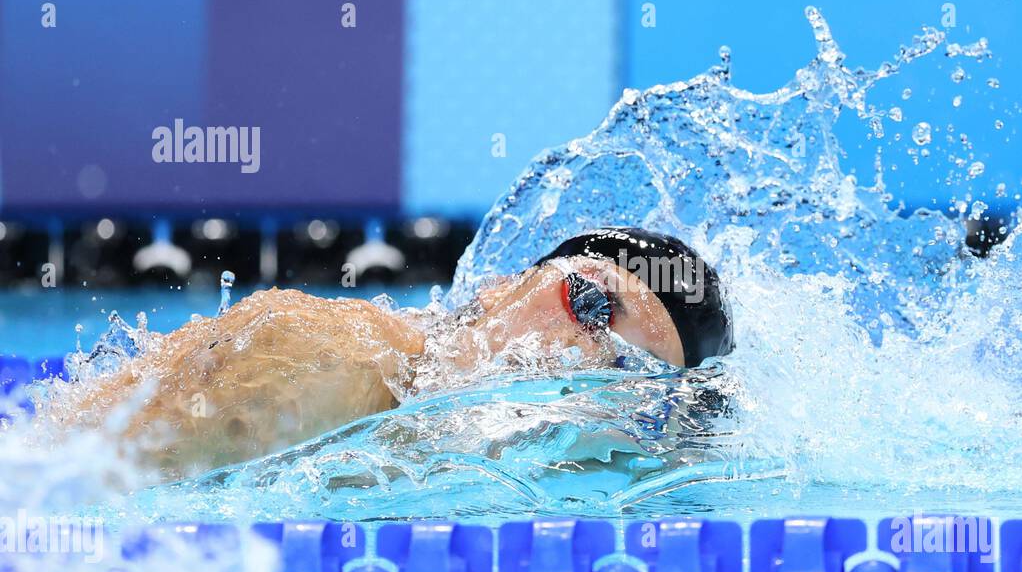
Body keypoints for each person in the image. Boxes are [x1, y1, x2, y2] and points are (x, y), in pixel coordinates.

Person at [58, 228, 734, 479]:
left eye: (625, 368)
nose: (584, 355)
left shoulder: (438, 437)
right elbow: (73, 487)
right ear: (505, 284)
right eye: (590, 302)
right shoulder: (332, 358)